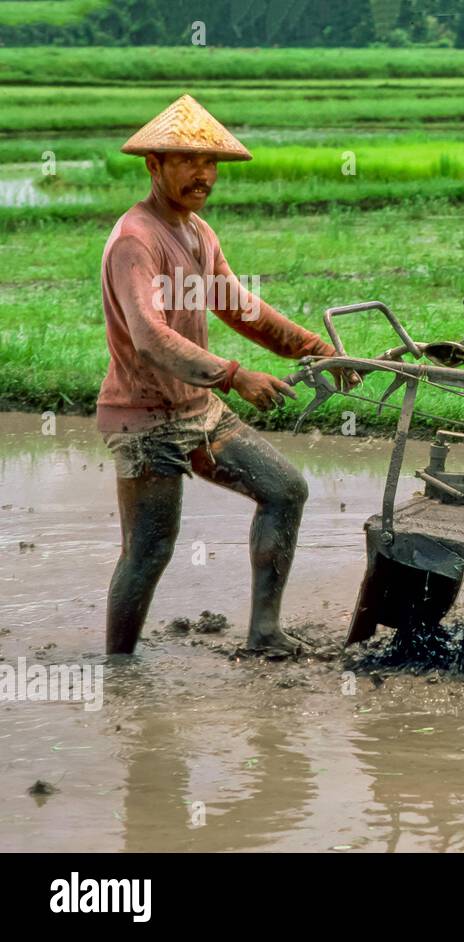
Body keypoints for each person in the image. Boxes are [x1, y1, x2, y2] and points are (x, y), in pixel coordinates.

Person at [98, 94, 356, 656]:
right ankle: (118, 667)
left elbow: (237, 306)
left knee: (285, 490)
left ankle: (264, 634)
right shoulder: (134, 242)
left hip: (199, 409)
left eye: (210, 163)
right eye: (188, 161)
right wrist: (234, 375)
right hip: (145, 419)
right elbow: (150, 337)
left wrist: (313, 348)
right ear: (154, 165)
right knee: (150, 548)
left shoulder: (198, 233)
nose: (203, 174)